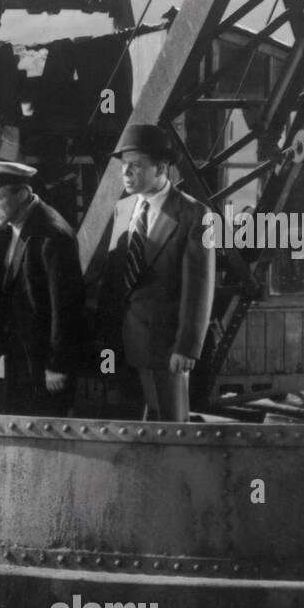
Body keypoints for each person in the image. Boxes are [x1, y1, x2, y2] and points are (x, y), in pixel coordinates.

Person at [95, 123, 214, 422]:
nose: (126, 174)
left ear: (161, 167)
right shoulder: (123, 209)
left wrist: (187, 347)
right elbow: (113, 280)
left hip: (166, 349)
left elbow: (199, 287)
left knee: (170, 430)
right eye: (124, 166)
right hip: (122, 345)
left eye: (135, 166)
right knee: (127, 428)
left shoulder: (194, 215)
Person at [0, 159, 87, 415]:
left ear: (23, 194)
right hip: (21, 359)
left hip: (46, 367)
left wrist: (58, 365)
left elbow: (67, 306)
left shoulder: (52, 235)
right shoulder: (13, 226)